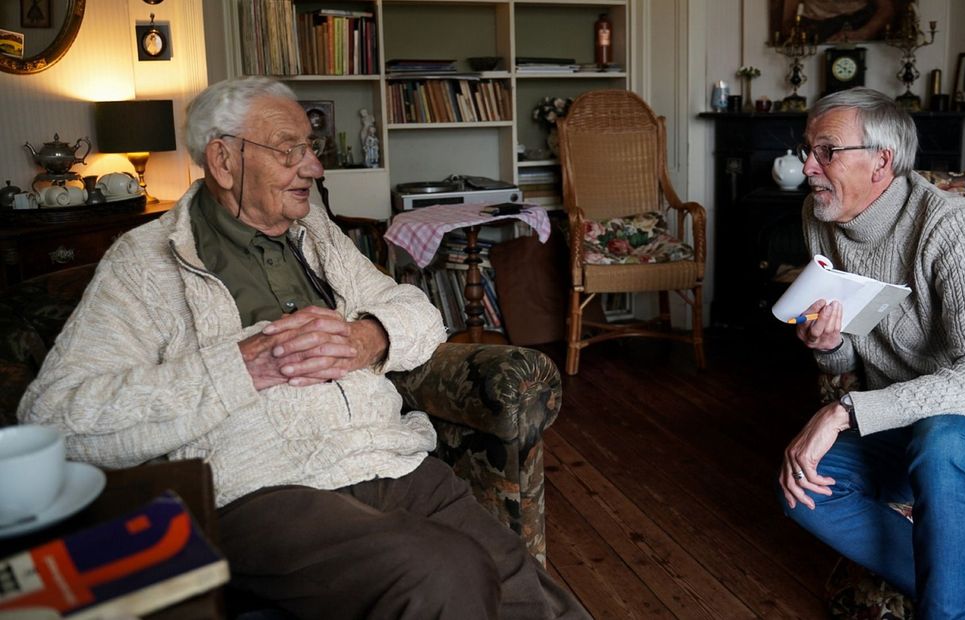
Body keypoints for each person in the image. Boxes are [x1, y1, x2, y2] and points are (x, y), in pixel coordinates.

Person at [18, 76, 588, 620]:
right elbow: (58, 419)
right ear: (224, 160)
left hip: (388, 458)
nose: (313, 167)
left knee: (532, 595)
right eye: (289, 150)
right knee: (441, 571)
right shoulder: (145, 263)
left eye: (310, 148)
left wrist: (368, 337)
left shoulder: (317, 234)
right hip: (263, 487)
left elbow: (418, 312)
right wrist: (245, 366)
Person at [777, 87, 965, 619]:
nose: (808, 166)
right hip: (920, 421)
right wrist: (829, 344)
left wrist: (845, 411)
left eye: (826, 151)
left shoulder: (946, 223)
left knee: (946, 440)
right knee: (806, 484)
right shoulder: (819, 215)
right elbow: (852, 350)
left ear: (882, 161)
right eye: (808, 149)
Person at [780, 0, 895, 43]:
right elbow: (788, 20)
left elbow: (886, 9)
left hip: (860, 23)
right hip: (814, 28)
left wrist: (864, 32)